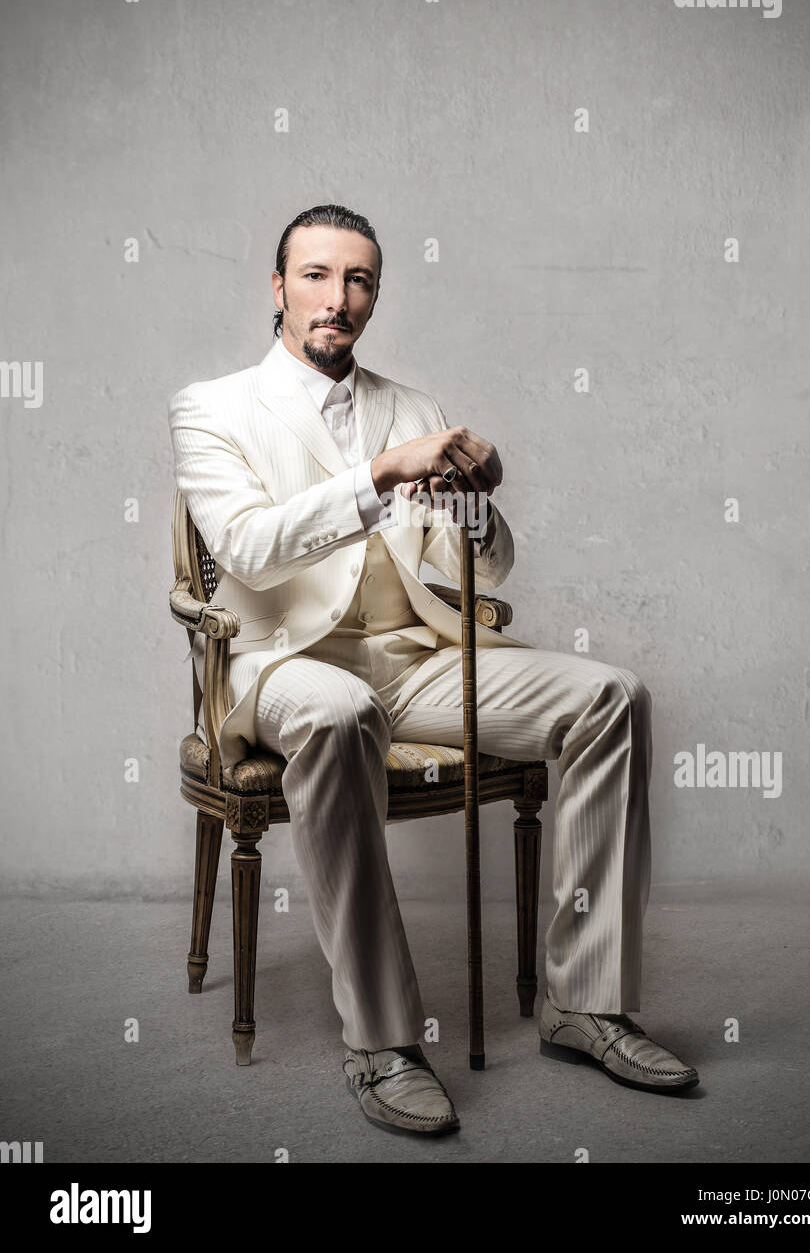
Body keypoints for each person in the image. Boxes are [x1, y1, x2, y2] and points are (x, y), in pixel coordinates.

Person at [168, 203, 699, 1138]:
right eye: (319, 276)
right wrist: (381, 474)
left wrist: (477, 505)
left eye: (360, 280)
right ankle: (381, 1039)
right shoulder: (212, 408)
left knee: (610, 698)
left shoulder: (414, 407)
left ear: (376, 294)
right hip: (285, 667)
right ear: (278, 287)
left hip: (415, 660)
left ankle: (586, 1002)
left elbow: (482, 570)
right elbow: (249, 552)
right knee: (335, 712)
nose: (339, 298)